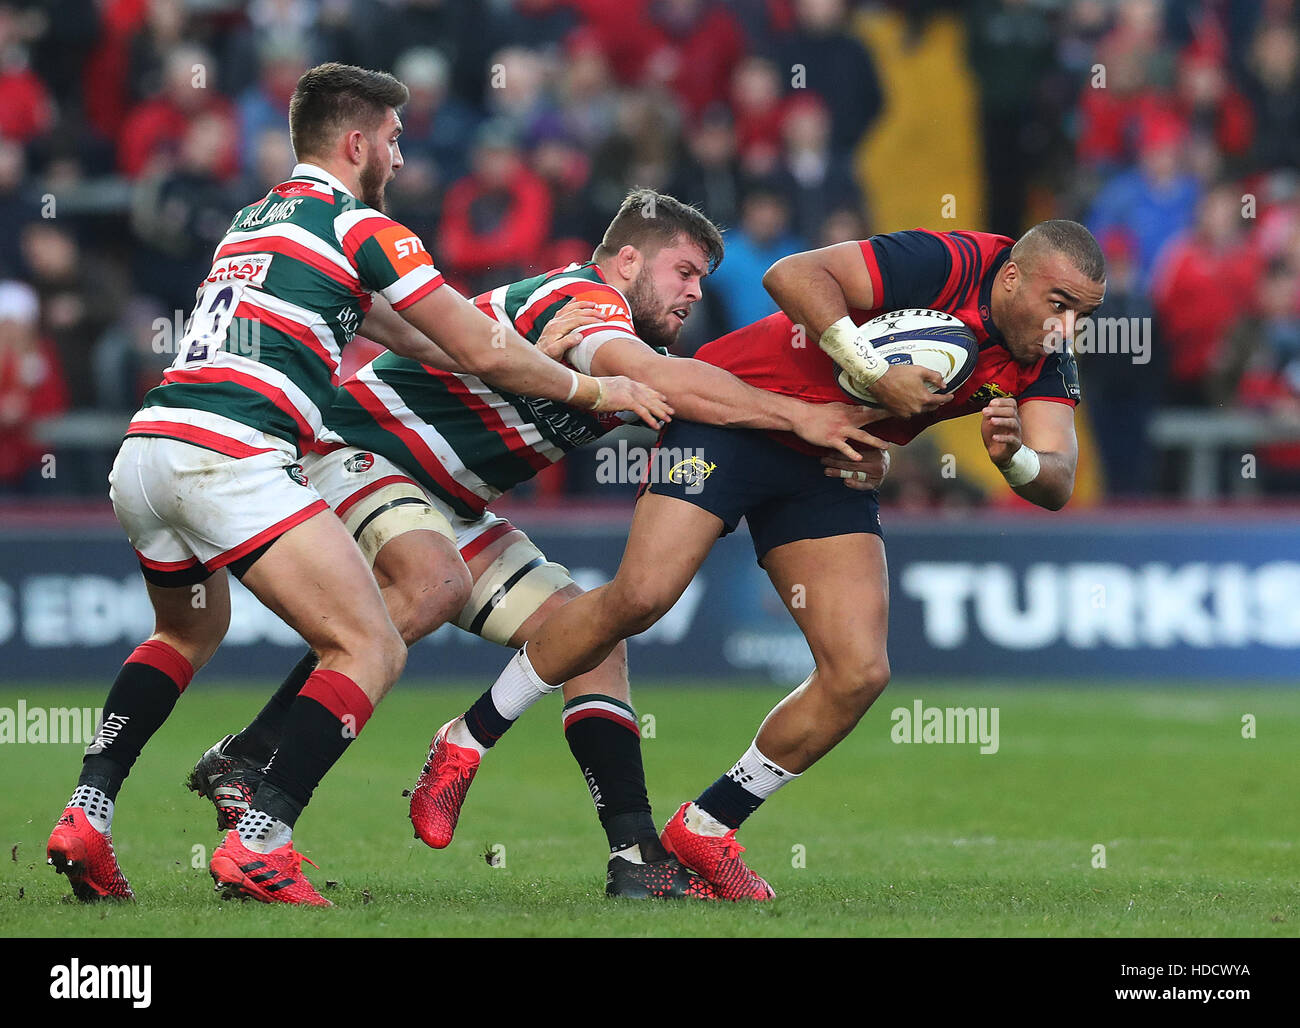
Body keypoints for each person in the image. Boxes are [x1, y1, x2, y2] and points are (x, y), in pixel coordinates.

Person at [45, 62, 668, 907]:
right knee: (371, 643)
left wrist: (531, 363)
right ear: (357, 142)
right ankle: (260, 839)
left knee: (186, 634)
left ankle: (88, 813)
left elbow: (427, 341)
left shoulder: (255, 218)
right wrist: (595, 390)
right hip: (233, 453)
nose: (402, 159)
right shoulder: (364, 227)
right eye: (395, 141)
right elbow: (478, 347)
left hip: (147, 451)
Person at [186, 188, 883, 900]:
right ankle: (257, 774)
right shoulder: (584, 300)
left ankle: (636, 855)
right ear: (629, 259)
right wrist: (802, 418)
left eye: (703, 278)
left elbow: (679, 388)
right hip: (359, 452)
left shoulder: (623, 333)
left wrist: (850, 443)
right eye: (683, 271)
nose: (695, 292)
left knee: (593, 636)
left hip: (452, 504)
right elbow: (657, 378)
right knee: (434, 583)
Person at [447, 220, 1103, 899]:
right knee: (643, 596)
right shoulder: (952, 260)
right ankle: (468, 739)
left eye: (1084, 314)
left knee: (859, 671)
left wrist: (1015, 459)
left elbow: (1057, 479)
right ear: (1014, 277)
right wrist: (874, 371)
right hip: (732, 415)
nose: (1069, 328)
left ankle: (707, 825)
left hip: (830, 454)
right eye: (1061, 304)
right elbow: (790, 276)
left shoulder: (1046, 357)